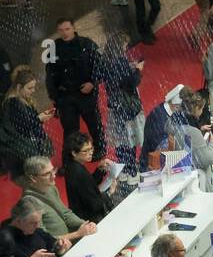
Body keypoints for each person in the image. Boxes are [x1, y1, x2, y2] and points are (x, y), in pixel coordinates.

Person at [46, 18, 105, 159]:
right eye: (61, 30)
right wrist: (55, 98)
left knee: (94, 124)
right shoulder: (54, 48)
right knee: (70, 130)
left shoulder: (87, 44)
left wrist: (92, 83)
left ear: (73, 28)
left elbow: (99, 65)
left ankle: (100, 149)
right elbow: (50, 74)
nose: (64, 33)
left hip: (86, 94)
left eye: (67, 29)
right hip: (65, 96)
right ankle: (69, 158)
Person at [100, 34, 145, 180]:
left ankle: (124, 169)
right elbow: (130, 83)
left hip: (115, 107)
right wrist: (138, 70)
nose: (127, 47)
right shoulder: (119, 61)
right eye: (125, 45)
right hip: (127, 106)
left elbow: (116, 81)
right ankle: (132, 171)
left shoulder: (106, 61)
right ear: (120, 46)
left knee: (120, 140)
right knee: (129, 139)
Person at [0, 67, 54, 179]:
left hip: (30, 149)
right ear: (19, 87)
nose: (33, 91)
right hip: (25, 151)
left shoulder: (20, 99)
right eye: (30, 88)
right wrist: (39, 119)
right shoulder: (13, 103)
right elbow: (21, 127)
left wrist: (40, 117)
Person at [63, 131, 114, 223]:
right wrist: (109, 192)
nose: (90, 153)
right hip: (90, 220)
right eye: (86, 151)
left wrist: (99, 169)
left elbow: (89, 184)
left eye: (91, 148)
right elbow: (95, 205)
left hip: (82, 215)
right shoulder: (78, 172)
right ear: (74, 153)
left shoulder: (72, 166)